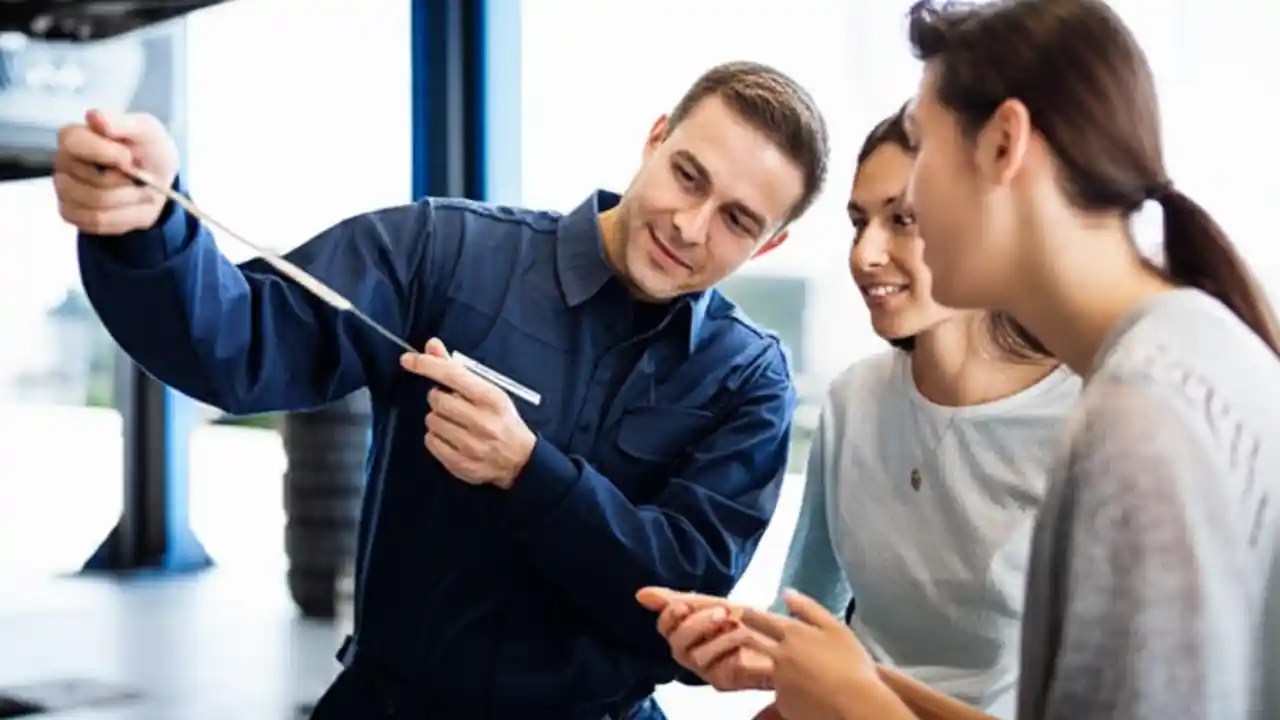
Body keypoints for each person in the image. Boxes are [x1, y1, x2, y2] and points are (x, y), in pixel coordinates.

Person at [52, 60, 831, 719]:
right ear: (656, 137)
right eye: (687, 176)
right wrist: (146, 223)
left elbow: (684, 598)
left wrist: (530, 474)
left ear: (772, 242)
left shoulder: (750, 381)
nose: (690, 227)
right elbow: (240, 343)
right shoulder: (443, 251)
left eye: (736, 220)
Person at [639, 1, 1280, 719]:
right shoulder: (1178, 356)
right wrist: (844, 681)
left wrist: (861, 704)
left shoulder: (1147, 421)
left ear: (1005, 145)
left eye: (923, 152)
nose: (878, 239)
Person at [642, 106, 1079, 720]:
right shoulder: (856, 400)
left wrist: (855, 693)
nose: (866, 254)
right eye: (858, 222)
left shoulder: (1087, 421)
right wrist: (740, 643)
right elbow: (804, 614)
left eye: (904, 219)